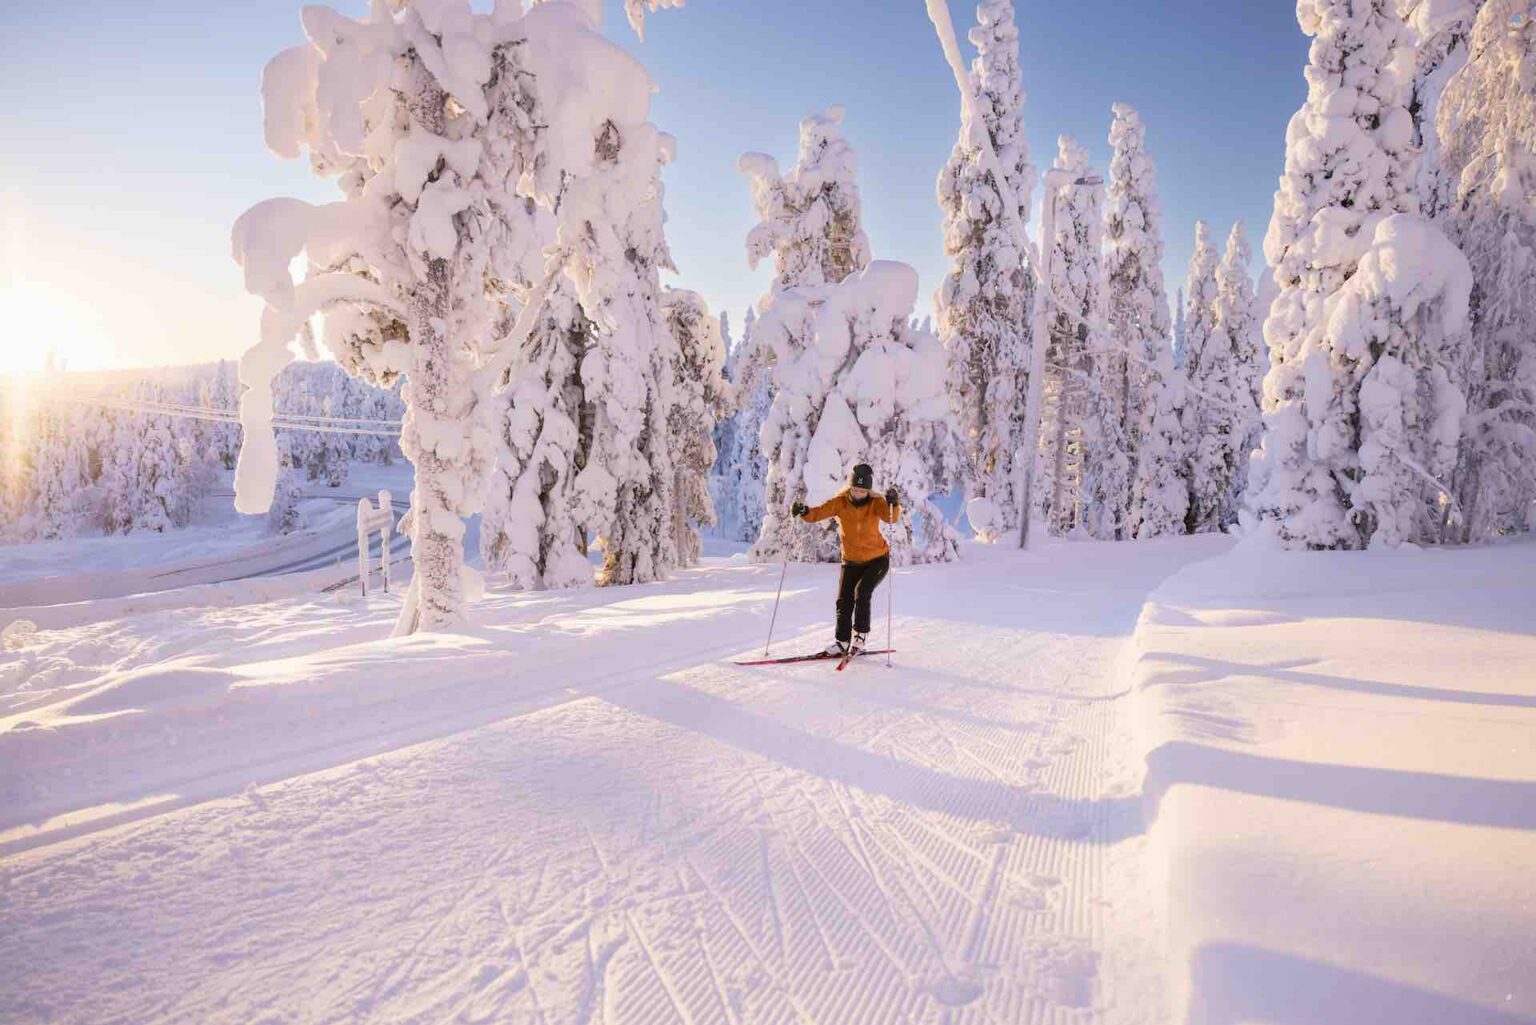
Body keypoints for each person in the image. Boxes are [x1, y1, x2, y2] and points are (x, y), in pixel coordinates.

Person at [790, 463, 901, 657]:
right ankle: (842, 641)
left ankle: (860, 637)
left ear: (869, 490)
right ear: (850, 487)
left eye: (863, 490)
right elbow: (818, 513)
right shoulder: (840, 503)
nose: (859, 493)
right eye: (855, 489)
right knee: (843, 601)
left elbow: (891, 517)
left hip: (877, 559)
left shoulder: (876, 503)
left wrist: (893, 503)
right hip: (850, 561)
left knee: (862, 592)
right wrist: (804, 512)